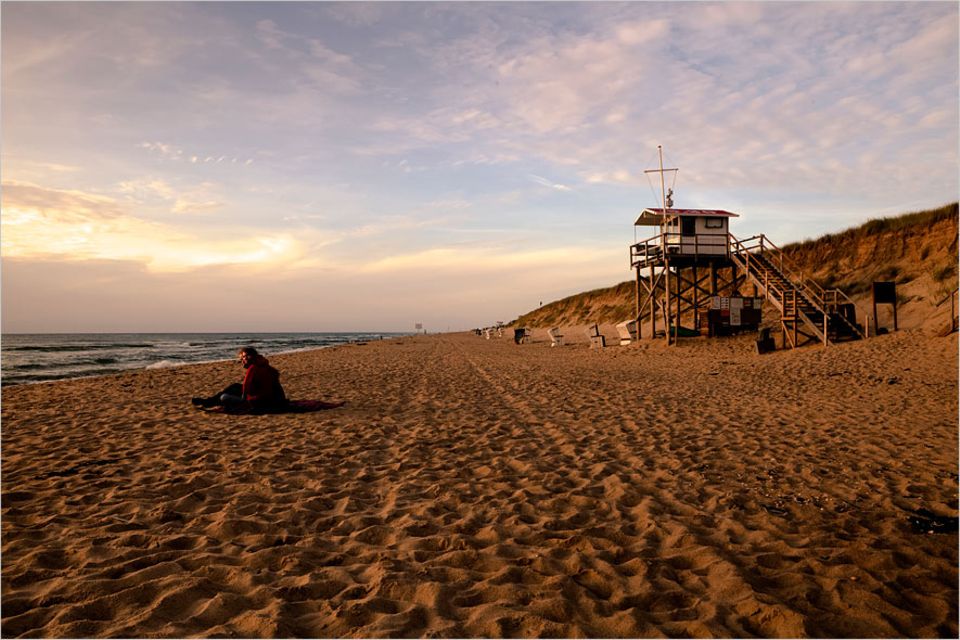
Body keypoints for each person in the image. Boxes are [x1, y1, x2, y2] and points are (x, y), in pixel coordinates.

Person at [192, 346, 287, 412]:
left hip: (261, 401)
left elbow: (247, 388)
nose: (242, 361)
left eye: (244, 358)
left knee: (224, 396)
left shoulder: (254, 368)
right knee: (235, 386)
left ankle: (209, 402)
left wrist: (243, 400)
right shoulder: (264, 364)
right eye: (241, 359)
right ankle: (209, 401)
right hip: (270, 397)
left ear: (251, 357)